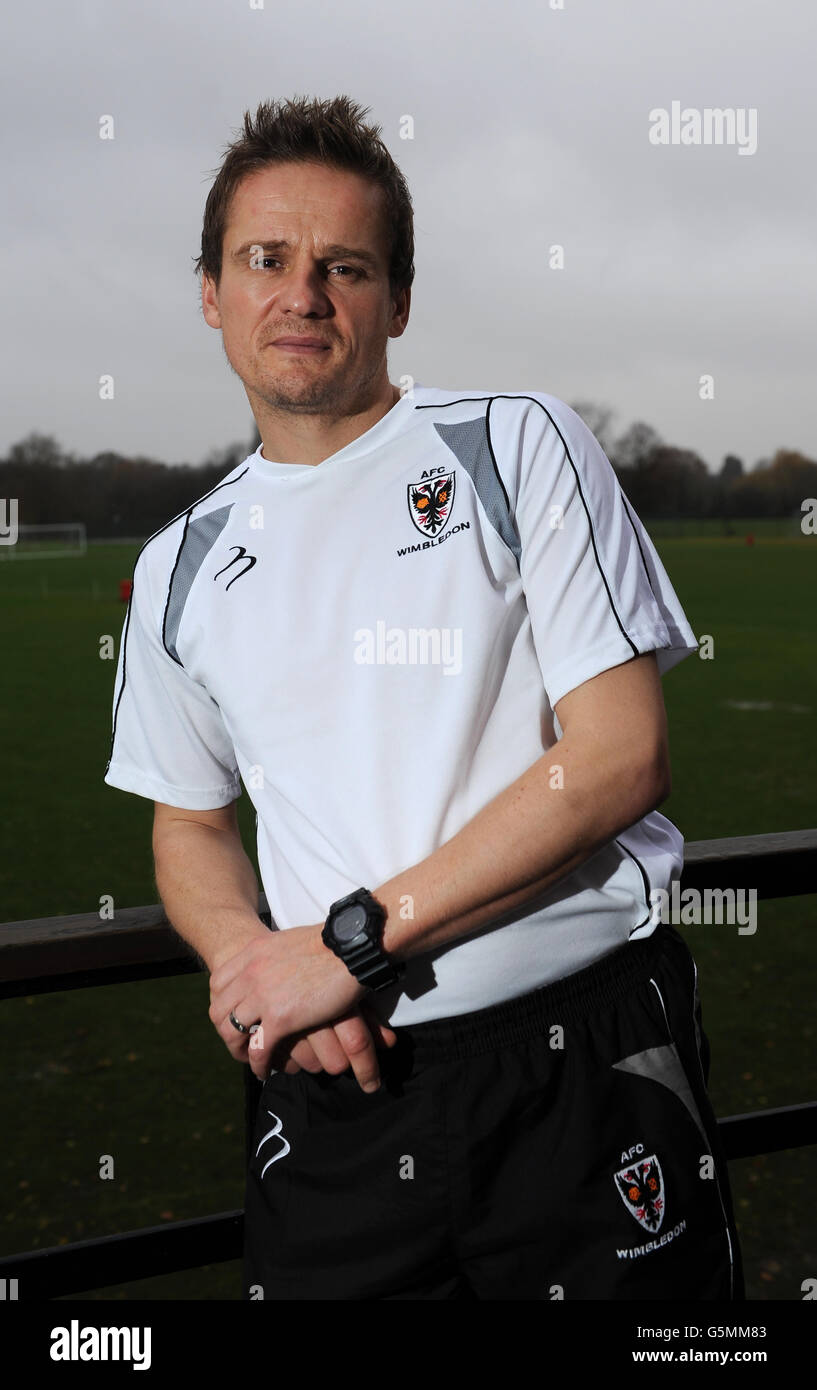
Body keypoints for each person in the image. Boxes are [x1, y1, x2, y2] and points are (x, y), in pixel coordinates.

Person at [104, 94, 744, 1301]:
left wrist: (349, 947)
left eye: (344, 266)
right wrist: (252, 960)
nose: (303, 294)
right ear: (210, 291)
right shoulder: (179, 562)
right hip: (335, 1087)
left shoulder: (516, 444)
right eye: (266, 260)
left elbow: (616, 755)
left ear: (396, 302)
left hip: (580, 1065)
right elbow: (186, 818)